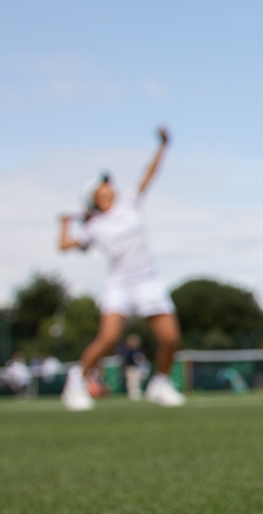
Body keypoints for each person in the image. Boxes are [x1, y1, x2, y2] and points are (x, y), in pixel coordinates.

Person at [57, 126, 185, 410]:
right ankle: (75, 383)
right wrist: (64, 223)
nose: (110, 185)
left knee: (170, 338)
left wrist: (163, 146)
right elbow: (64, 245)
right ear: (95, 195)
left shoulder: (129, 202)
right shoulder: (93, 227)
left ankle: (160, 383)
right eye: (103, 184)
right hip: (119, 284)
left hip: (148, 280)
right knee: (109, 339)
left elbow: (149, 174)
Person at [118, 333, 150, 401]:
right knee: (131, 380)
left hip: (138, 367)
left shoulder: (139, 349)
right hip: (130, 367)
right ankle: (132, 391)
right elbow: (125, 358)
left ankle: (137, 390)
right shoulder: (127, 350)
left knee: (138, 379)